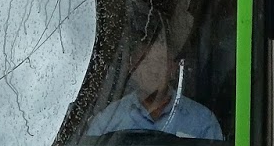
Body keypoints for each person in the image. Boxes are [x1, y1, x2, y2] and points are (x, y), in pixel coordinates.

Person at [88, 36, 223, 139]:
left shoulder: (203, 122)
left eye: (160, 61)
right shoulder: (107, 122)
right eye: (145, 62)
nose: (153, 70)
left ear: (172, 69)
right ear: (133, 68)